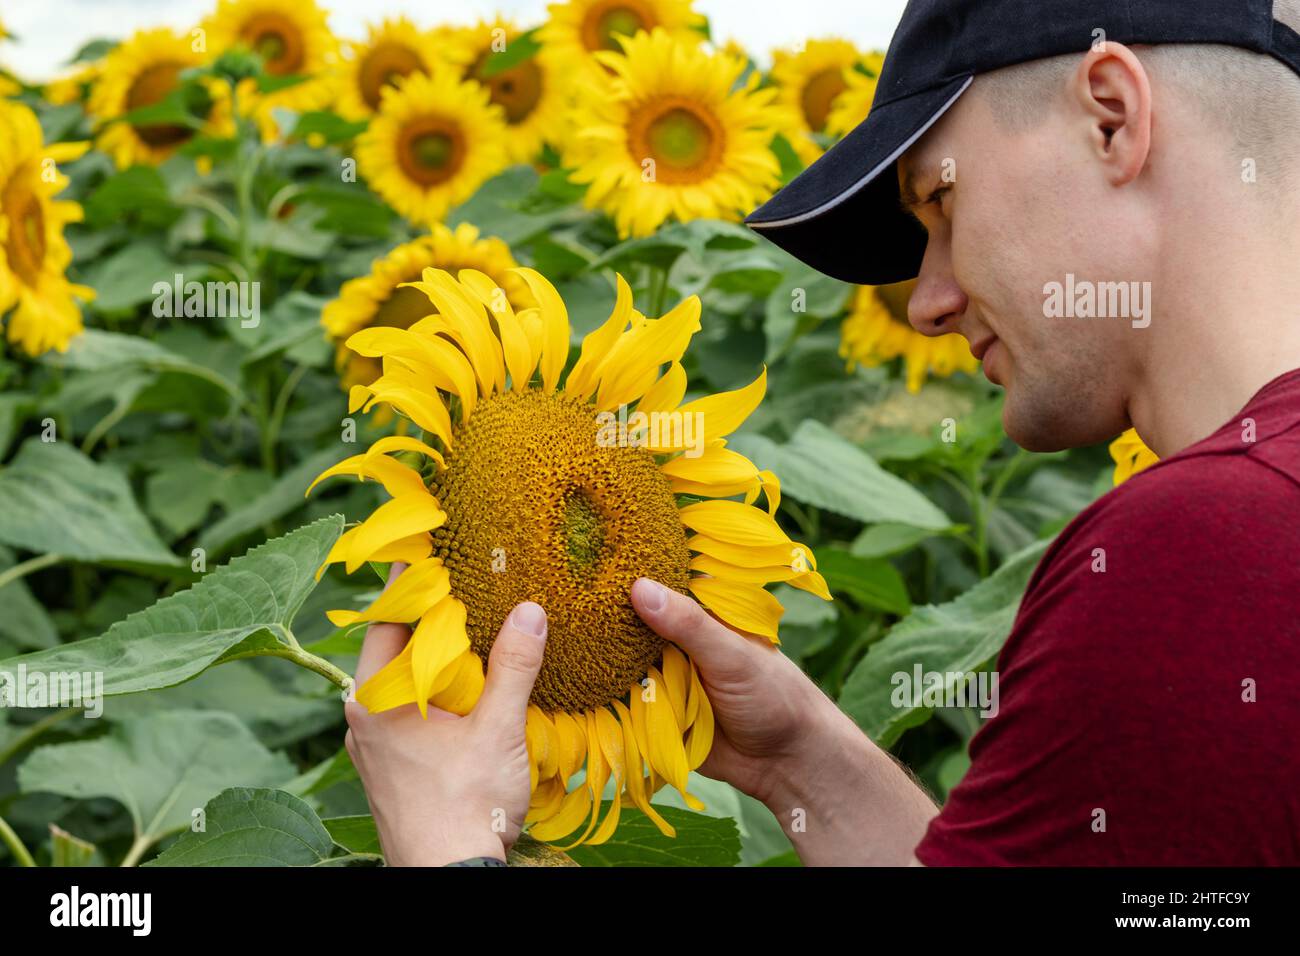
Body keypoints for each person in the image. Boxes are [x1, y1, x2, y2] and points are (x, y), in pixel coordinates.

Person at [344, 0, 1300, 866]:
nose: (925, 303)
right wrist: (802, 761)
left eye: (941, 203)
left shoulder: (1201, 551)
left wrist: (447, 838)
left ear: (1111, 116)